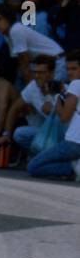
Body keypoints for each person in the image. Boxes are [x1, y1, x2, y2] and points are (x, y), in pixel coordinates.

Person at [25, 49, 80, 179]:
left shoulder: (76, 84)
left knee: (33, 167)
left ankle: (73, 168)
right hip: (74, 143)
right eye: (68, 69)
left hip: (73, 143)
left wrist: (56, 96)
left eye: (74, 69)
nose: (70, 72)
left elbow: (64, 117)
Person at [0, 3, 67, 82]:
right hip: (44, 65)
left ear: (8, 18)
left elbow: (24, 60)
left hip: (57, 63)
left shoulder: (15, 30)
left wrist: (29, 82)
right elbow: (19, 59)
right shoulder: (7, 35)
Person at [8, 55, 64, 154]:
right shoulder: (32, 86)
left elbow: (63, 118)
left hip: (63, 134)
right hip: (46, 132)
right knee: (19, 134)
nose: (37, 76)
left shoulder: (61, 87)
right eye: (35, 72)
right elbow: (14, 108)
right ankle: (42, 153)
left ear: (51, 73)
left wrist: (50, 101)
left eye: (41, 73)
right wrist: (6, 134)